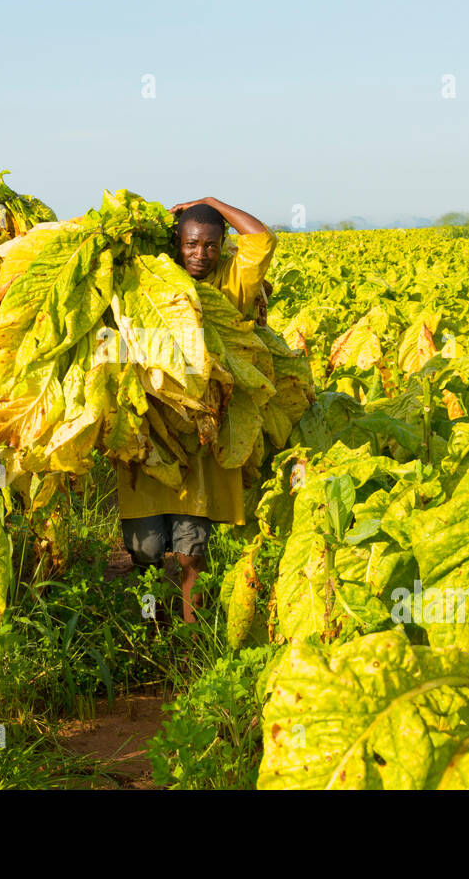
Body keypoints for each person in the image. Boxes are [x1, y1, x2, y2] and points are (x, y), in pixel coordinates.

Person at [117, 196, 277, 622]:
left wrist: (210, 201)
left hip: (203, 433)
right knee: (144, 553)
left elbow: (260, 238)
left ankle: (192, 634)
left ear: (222, 245)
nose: (200, 254)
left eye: (210, 244)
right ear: (176, 244)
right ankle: (151, 630)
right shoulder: (149, 281)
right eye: (190, 244)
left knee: (192, 552)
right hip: (148, 428)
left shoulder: (231, 282)